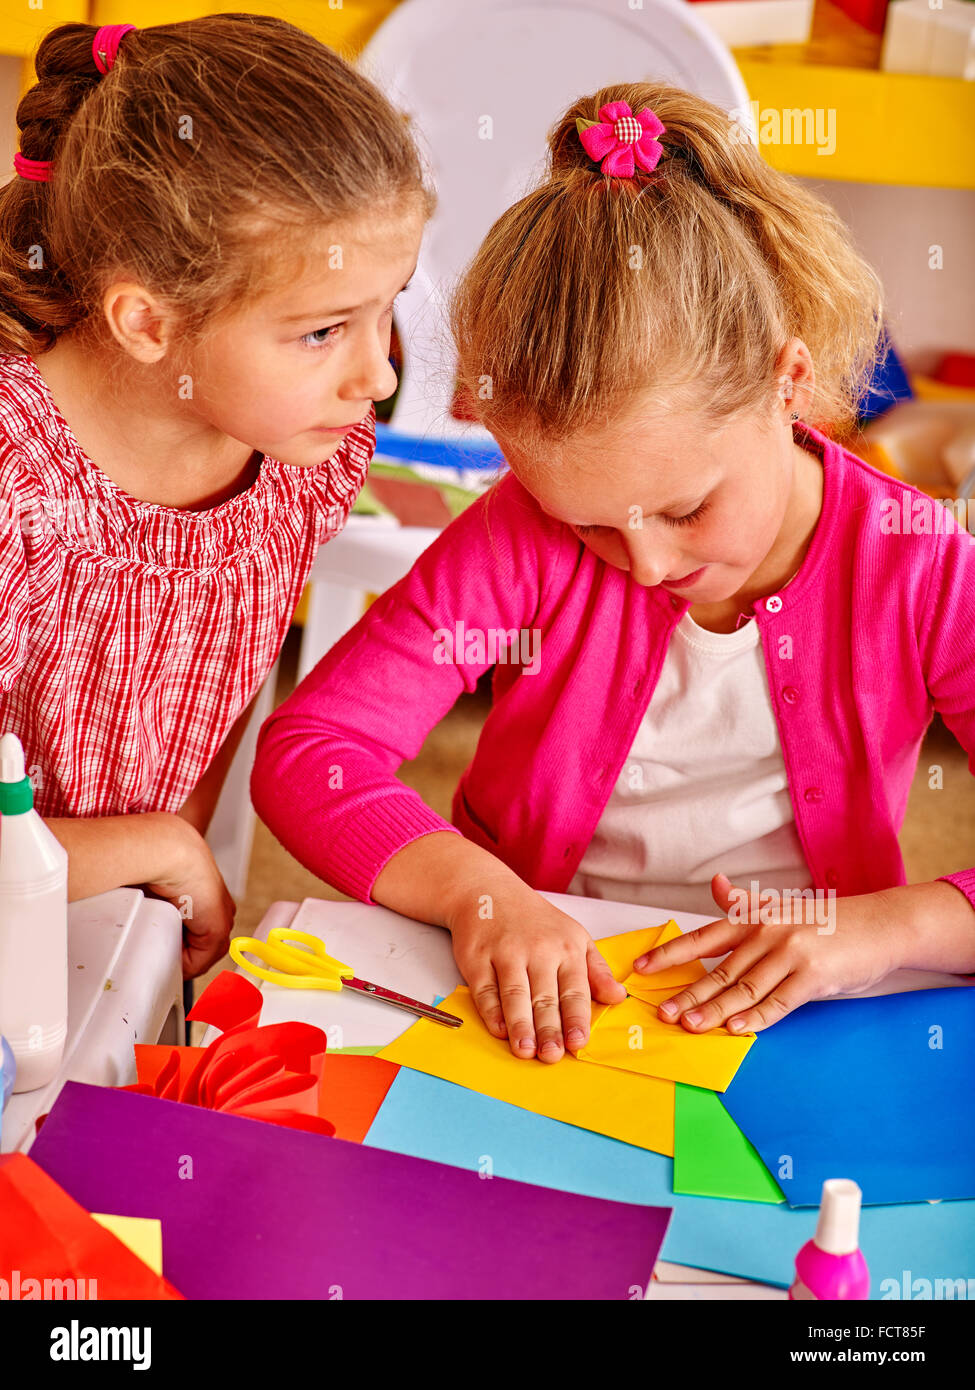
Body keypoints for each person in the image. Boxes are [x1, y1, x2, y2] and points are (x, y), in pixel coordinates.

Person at [251, 84, 975, 1060]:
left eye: (686, 508)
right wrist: (482, 894)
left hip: (809, 1006)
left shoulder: (915, 560)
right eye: (588, 523)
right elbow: (314, 747)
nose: (649, 562)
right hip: (536, 983)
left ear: (787, 380)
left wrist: (892, 925)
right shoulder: (522, 532)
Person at [0, 17, 432, 975]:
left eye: (389, 306)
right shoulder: (13, 488)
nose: (378, 375)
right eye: (324, 330)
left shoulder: (297, 457)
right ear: (147, 321)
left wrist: (167, 853)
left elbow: (212, 674)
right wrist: (157, 849)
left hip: (99, 931)